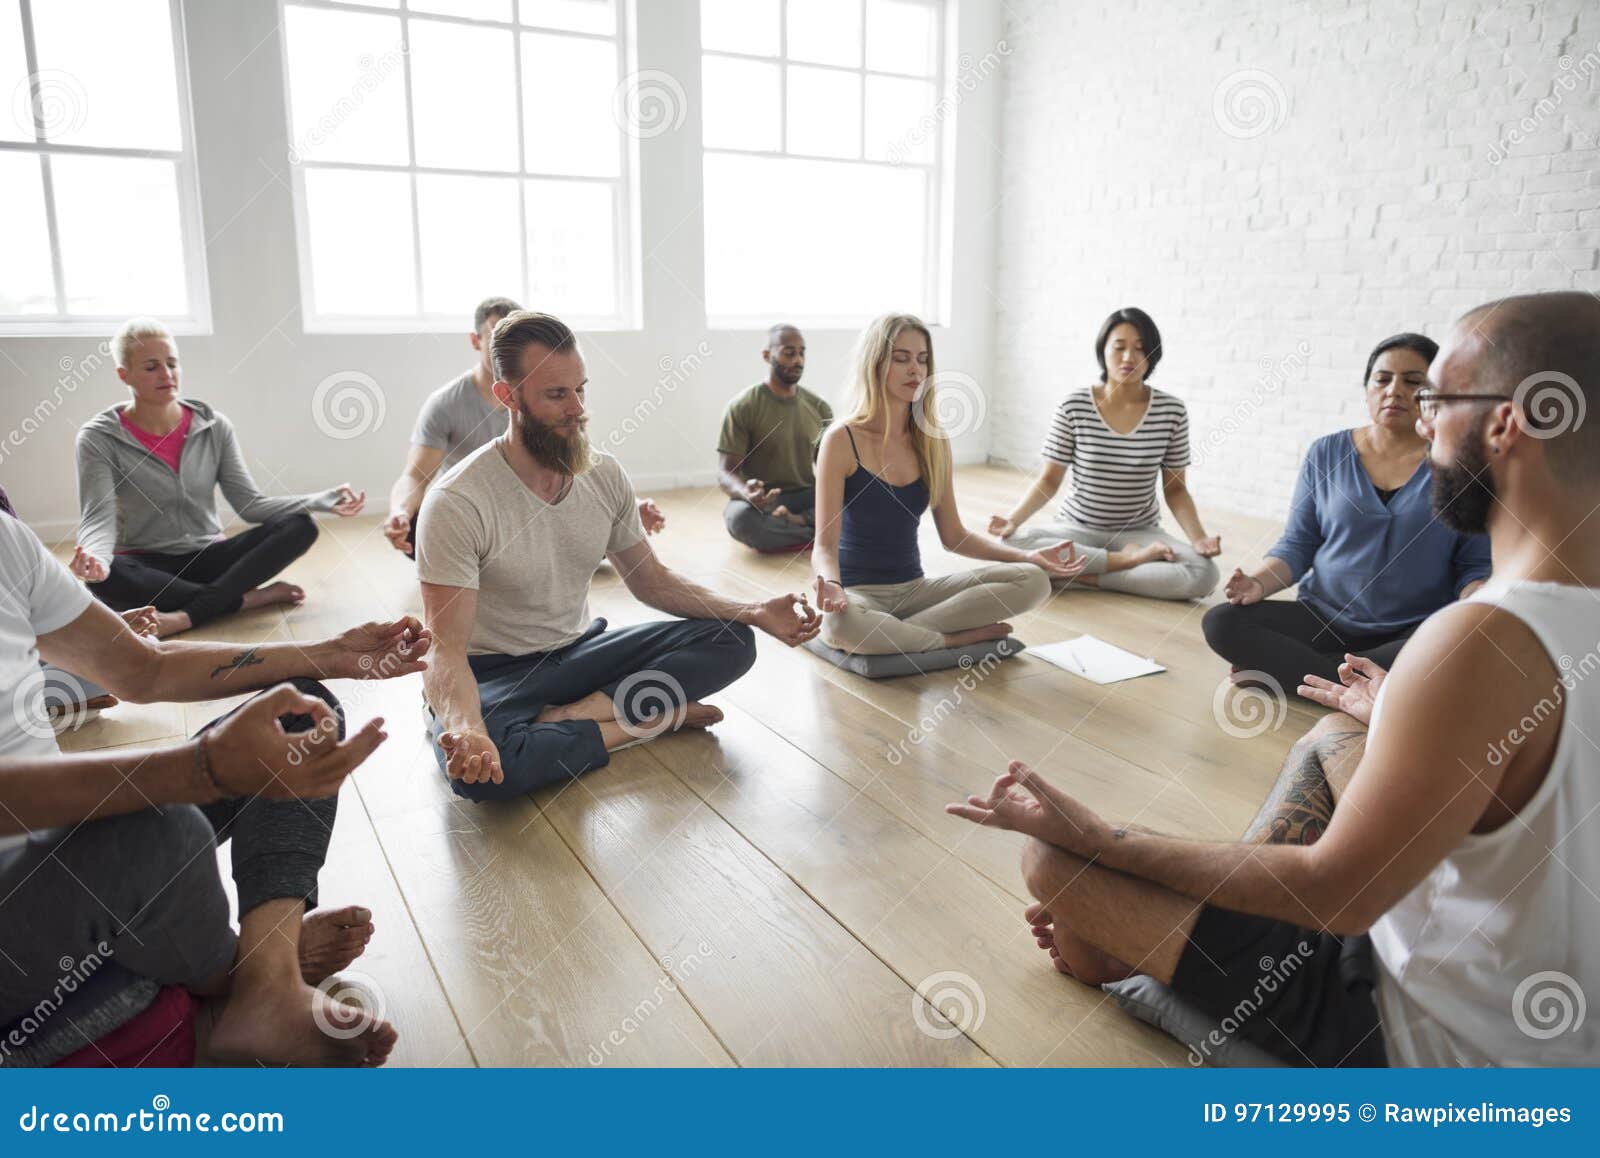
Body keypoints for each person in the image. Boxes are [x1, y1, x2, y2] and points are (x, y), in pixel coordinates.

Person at [947, 292, 1600, 1067]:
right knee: (1333, 728)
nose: (1422, 419)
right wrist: (1396, 706)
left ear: (1505, 424)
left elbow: (1339, 892)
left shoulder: (1478, 639)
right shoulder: (1527, 628)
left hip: (1423, 1034)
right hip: (1550, 1005)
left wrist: (1107, 840)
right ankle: (1191, 934)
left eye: (1440, 399)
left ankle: (1167, 979)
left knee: (1053, 864)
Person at [0, 511, 433, 1066]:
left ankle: (266, 986)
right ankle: (249, 966)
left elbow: (144, 670)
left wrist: (330, 655)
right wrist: (199, 769)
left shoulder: (8, 541)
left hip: (61, 857)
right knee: (158, 835)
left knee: (298, 716)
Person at [417, 311, 820, 803]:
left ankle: (579, 714)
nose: (577, 409)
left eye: (581, 390)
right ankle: (645, 720)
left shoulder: (603, 475)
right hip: (495, 675)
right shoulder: (457, 501)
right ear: (507, 396)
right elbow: (445, 649)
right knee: (483, 771)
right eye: (556, 395)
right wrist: (464, 726)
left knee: (732, 640)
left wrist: (754, 611)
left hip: (579, 653)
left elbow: (652, 581)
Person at [1203, 333, 1491, 695]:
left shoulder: (1462, 467)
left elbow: (1474, 566)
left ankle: (1302, 674)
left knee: (1456, 647)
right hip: (1323, 618)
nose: (1395, 390)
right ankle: (1366, 686)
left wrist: (1476, 605)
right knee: (1221, 622)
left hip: (1411, 630)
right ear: (1367, 388)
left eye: (1413, 382)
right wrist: (1258, 583)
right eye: (1382, 379)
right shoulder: (1325, 453)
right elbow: (1299, 543)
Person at [71, 318, 367, 637]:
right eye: (152, 367)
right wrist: (95, 557)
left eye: (172, 363)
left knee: (300, 525)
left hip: (210, 555)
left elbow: (249, 505)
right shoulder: (98, 438)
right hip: (145, 563)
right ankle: (247, 599)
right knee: (106, 577)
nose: (167, 374)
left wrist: (319, 501)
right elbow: (98, 518)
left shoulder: (213, 426)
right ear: (123, 374)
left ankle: (185, 615)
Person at [809, 314, 1078, 656]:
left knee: (1034, 580)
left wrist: (1026, 555)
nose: (915, 371)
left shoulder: (932, 439)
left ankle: (896, 637)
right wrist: (832, 586)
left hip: (915, 593)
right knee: (839, 624)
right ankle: (951, 639)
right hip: (857, 595)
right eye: (901, 358)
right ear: (875, 363)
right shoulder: (841, 439)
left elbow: (954, 536)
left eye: (922, 360)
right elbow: (824, 547)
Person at [385, 296, 663, 557]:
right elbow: (415, 477)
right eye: (497, 337)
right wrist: (399, 512)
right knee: (425, 529)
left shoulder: (551, 398)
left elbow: (574, 467)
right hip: (479, 515)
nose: (508, 349)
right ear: (475, 340)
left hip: (535, 507)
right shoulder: (445, 404)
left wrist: (626, 509)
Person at [990, 307, 1221, 601]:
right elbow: (1049, 479)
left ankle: (1082, 576)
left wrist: (1198, 539)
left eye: (1140, 349)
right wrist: (1013, 519)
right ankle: (1124, 563)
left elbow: (1175, 489)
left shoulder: (1171, 410)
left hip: (1140, 532)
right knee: (1013, 543)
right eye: (1119, 347)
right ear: (1103, 350)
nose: (1129, 358)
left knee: (1204, 574)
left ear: (1152, 355)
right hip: (1076, 528)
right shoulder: (1074, 405)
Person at [717, 324, 831, 552]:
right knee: (740, 520)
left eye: (802, 353)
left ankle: (801, 526)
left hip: (808, 497)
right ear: (767, 355)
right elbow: (726, 472)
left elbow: (830, 469)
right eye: (789, 352)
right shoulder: (743, 406)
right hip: (766, 502)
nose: (798, 360)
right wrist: (747, 493)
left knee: (859, 501)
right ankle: (822, 535)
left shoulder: (819, 408)